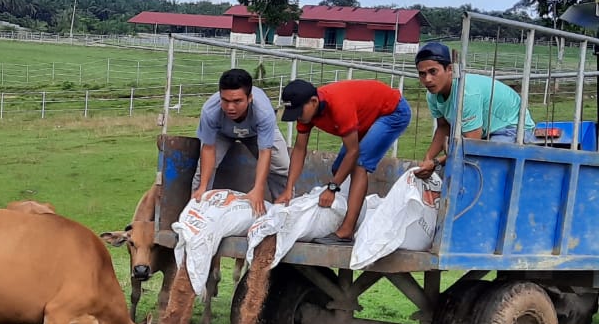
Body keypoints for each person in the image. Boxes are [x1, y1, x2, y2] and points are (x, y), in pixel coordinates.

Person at [276, 77, 412, 243]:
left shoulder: (339, 106)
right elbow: (299, 149)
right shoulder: (307, 113)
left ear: (313, 101)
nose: (298, 117)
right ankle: (347, 218)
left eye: (299, 112)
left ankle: (347, 230)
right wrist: (289, 188)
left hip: (392, 111)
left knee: (359, 164)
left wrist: (332, 189)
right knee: (338, 169)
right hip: (365, 116)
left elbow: (353, 152)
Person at [413, 41, 533, 178]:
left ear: (450, 69)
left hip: (513, 130)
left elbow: (472, 146)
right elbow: (443, 127)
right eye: (422, 74)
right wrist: (427, 160)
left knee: (481, 171)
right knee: (454, 168)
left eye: (433, 71)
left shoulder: (466, 93)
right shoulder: (432, 94)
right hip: (485, 134)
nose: (427, 79)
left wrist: (435, 162)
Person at [190, 68, 290, 215]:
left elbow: (265, 152)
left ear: (250, 98)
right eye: (225, 101)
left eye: (237, 101)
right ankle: (196, 216)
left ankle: (283, 212)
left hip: (256, 132)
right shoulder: (210, 111)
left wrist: (258, 188)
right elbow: (208, 149)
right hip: (222, 133)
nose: (230, 107)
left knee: (282, 166)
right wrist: (203, 187)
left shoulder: (264, 113)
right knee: (201, 176)